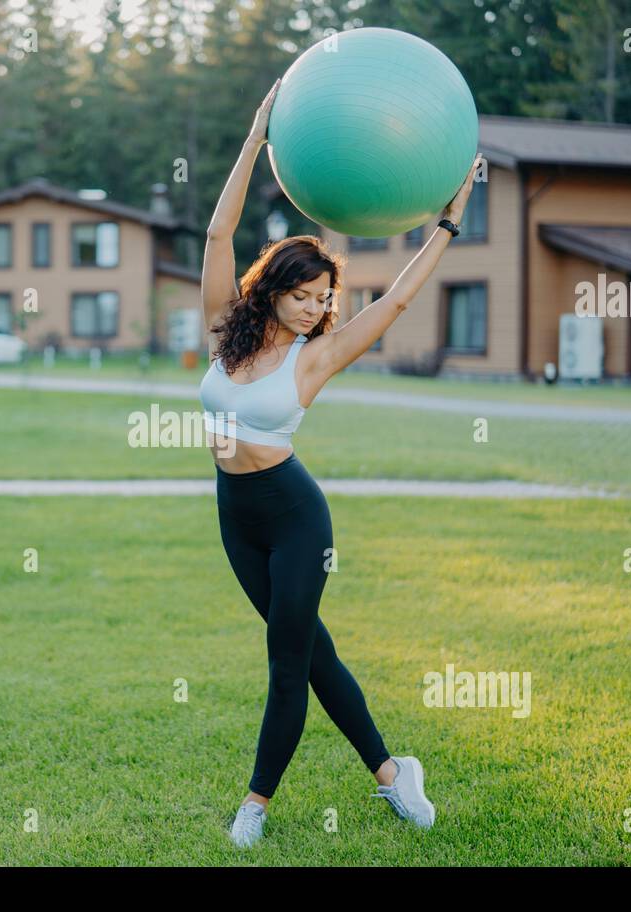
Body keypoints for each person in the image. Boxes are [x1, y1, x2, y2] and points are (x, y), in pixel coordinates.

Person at [199, 77, 481, 848]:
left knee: (287, 662)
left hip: (294, 515)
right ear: (274, 288)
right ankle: (393, 775)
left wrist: (450, 227)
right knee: (311, 650)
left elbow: (390, 304)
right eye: (301, 293)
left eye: (323, 298)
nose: (314, 306)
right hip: (236, 515)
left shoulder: (316, 359)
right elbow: (219, 235)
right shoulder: (225, 328)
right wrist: (258, 135)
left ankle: (253, 807)